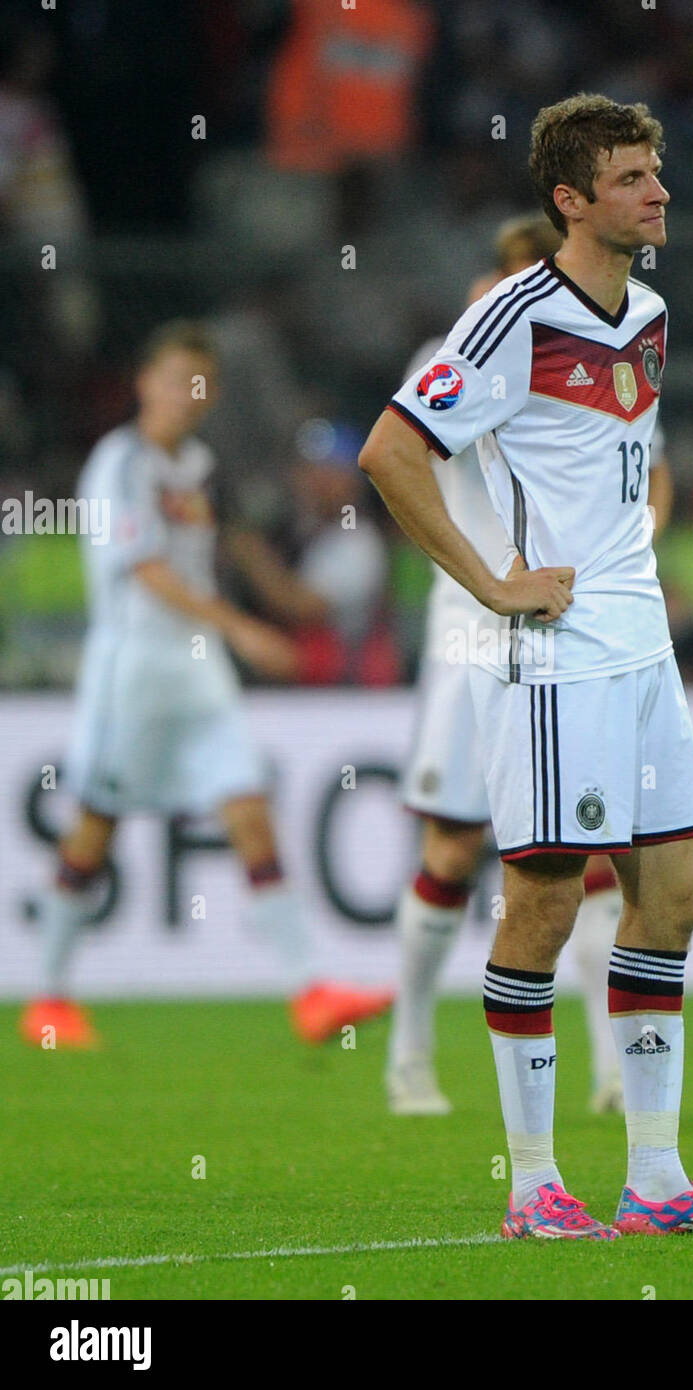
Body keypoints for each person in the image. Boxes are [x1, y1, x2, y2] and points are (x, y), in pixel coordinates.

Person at [360, 94, 693, 1239]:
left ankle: (655, 1179)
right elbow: (391, 451)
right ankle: (534, 1180)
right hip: (553, 660)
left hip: (644, 650)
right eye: (634, 177)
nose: (659, 191)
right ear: (571, 199)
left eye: (657, 170)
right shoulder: (509, 319)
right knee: (542, 903)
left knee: (671, 901)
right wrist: (495, 582)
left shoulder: (646, 310)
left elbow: (618, 470)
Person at [19, 321, 393, 1049]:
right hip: (134, 668)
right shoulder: (118, 463)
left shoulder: (194, 464)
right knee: (96, 822)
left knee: (247, 807)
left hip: (196, 671)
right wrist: (242, 629)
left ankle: (309, 990)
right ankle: (49, 998)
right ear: (144, 383)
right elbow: (145, 570)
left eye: (201, 383)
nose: (187, 396)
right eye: (174, 379)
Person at [387, 213, 673, 1117]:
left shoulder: (604, 338)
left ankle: (608, 1075)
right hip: (470, 627)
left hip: (574, 623)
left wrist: (629, 556)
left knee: (593, 859)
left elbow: (645, 470)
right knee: (458, 845)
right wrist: (483, 580)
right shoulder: (469, 345)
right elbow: (396, 454)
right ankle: (408, 1052)